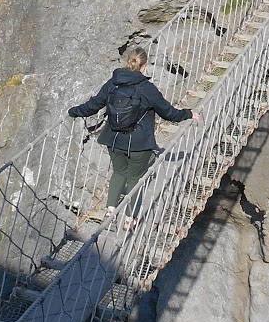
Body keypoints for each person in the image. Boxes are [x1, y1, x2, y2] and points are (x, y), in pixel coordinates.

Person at [68, 46, 196, 213]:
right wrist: (188, 114)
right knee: (134, 177)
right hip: (139, 143)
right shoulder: (147, 88)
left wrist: (73, 111)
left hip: (113, 140)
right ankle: (130, 218)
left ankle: (110, 210)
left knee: (119, 172)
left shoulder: (113, 83)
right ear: (144, 66)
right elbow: (169, 113)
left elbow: (93, 105)